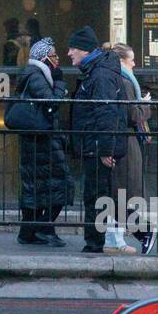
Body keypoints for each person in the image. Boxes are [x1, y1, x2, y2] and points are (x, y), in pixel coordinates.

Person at [66, 26, 134, 254]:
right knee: (97, 193)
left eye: (72, 48)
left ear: (84, 50)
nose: (69, 53)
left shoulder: (101, 75)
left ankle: (94, 244)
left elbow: (107, 114)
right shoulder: (97, 72)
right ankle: (98, 241)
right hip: (95, 146)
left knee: (96, 194)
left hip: (97, 148)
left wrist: (106, 150)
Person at [15, 37, 71, 246]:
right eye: (54, 55)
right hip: (42, 141)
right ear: (44, 58)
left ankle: (29, 232)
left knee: (36, 188)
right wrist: (60, 83)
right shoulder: (37, 76)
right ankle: (44, 229)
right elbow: (52, 103)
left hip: (39, 141)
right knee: (61, 185)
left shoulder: (34, 74)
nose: (58, 59)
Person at [112, 42, 156, 255]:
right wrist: (145, 105)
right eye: (132, 60)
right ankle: (143, 232)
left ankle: (131, 236)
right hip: (126, 144)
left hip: (123, 143)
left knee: (120, 194)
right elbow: (133, 115)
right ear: (122, 61)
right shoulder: (126, 82)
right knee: (123, 194)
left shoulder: (119, 80)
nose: (135, 64)